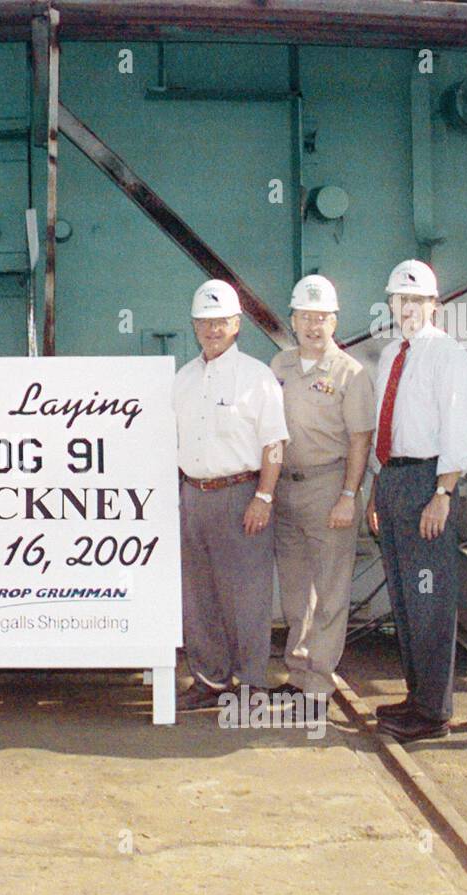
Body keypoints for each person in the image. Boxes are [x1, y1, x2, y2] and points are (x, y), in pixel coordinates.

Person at [366, 260, 467, 742]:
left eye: (416, 300)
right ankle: (417, 696)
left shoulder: (449, 356)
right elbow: (382, 427)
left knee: (430, 598)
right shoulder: (393, 353)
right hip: (393, 482)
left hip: (427, 483)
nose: (408, 308)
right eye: (400, 300)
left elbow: (459, 430)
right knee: (405, 598)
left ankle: (434, 712)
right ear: (390, 304)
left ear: (434, 304)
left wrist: (442, 493)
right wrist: (376, 485)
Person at [173, 278, 289, 711]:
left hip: (241, 496)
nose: (212, 330)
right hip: (194, 495)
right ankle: (209, 679)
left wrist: (264, 497)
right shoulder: (183, 379)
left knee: (248, 593)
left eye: (220, 322)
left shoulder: (257, 378)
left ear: (237, 325)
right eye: (204, 322)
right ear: (194, 326)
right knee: (199, 593)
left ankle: (252, 683)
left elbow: (273, 443)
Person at [270, 275, 375, 709]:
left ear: (334, 321)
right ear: (293, 321)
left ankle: (319, 682)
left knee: (330, 591)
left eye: (322, 318)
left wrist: (349, 496)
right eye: (305, 317)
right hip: (284, 490)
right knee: (296, 591)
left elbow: (360, 440)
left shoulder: (351, 374)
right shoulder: (280, 367)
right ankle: (297, 671)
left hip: (329, 486)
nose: (313, 326)